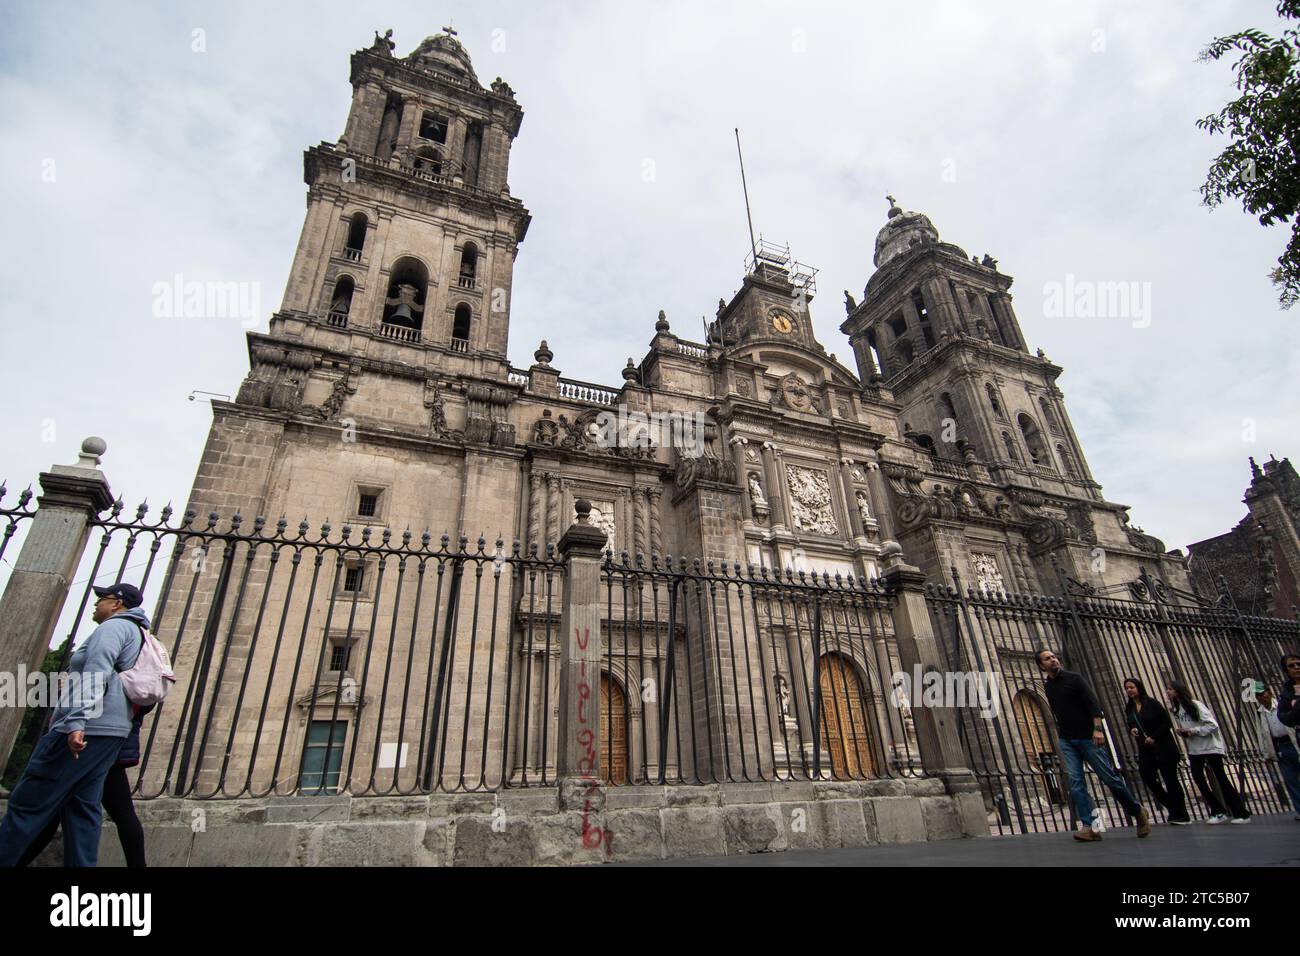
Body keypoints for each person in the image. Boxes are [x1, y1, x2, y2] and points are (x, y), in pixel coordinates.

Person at [0, 582, 149, 867]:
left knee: (28, 805)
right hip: (111, 733)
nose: (96, 605)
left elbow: (96, 672)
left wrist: (77, 720)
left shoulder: (113, 628)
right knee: (83, 812)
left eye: (101, 599)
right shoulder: (138, 632)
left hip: (87, 729)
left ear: (116, 603)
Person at [16, 702, 154, 866]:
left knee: (53, 812)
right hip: (107, 743)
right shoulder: (131, 682)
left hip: (90, 742)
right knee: (119, 814)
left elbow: (85, 700)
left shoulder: (110, 679)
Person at [1036, 648, 1151, 842]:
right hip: (1067, 740)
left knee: (1110, 778)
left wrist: (1097, 729)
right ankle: (1090, 825)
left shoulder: (1075, 679)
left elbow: (1093, 704)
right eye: (1048, 659)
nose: (1053, 660)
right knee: (1076, 783)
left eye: (1054, 657)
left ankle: (1137, 811)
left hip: (1088, 737)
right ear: (1041, 665)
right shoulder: (1048, 686)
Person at [1166, 680, 1250, 824]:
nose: (1167, 692)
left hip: (1210, 747)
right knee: (1198, 779)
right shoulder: (1178, 710)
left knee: (1221, 779)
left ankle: (1240, 812)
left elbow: (1213, 725)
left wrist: (1193, 731)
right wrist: (1184, 732)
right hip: (1195, 749)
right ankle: (1218, 810)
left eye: (1170, 689)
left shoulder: (1196, 705)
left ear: (1178, 691)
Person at [1123, 677, 1190, 825]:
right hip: (1145, 749)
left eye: (1131, 687)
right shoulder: (1130, 708)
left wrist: (1154, 737)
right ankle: (1173, 807)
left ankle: (1181, 814)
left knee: (1170, 780)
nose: (1129, 690)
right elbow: (1130, 723)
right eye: (1127, 688)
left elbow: (1167, 723)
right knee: (1146, 775)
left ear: (1139, 687)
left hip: (1164, 746)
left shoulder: (1152, 704)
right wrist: (1132, 730)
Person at [1251, 681, 1300, 821]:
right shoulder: (1259, 712)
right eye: (1258, 695)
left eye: (1262, 693)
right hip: (1280, 747)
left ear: (1269, 692)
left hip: (1293, 742)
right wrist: (1266, 753)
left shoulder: (1281, 705)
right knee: (1290, 780)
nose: (1261, 697)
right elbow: (1262, 734)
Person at [1278, 654, 1300, 729]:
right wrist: (1296, 709)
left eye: (1298, 664)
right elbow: (1283, 717)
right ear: (1287, 671)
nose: (1296, 667)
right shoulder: (1287, 693)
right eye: (1291, 666)